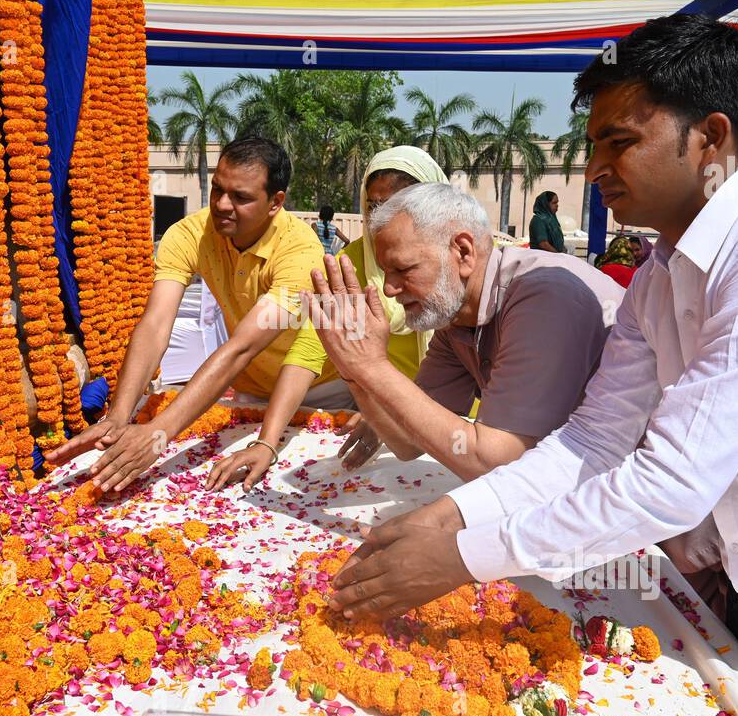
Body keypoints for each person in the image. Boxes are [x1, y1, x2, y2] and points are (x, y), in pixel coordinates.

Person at [327, 14, 738, 716]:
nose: (595, 166)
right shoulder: (660, 276)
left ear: (711, 140)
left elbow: (672, 483)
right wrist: (451, 519)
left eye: (619, 141)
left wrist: (463, 557)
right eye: (594, 143)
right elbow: (593, 441)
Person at [46, 136, 349, 489]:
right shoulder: (190, 233)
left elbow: (242, 347)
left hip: (321, 389)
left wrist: (158, 434)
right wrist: (118, 414)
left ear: (275, 202)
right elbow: (155, 325)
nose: (222, 204)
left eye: (241, 197)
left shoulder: (300, 252)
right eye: (218, 188)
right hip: (250, 389)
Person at [305, 181, 624, 484]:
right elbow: (407, 443)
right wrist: (352, 371)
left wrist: (371, 367)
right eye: (386, 272)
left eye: (403, 269)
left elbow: (495, 465)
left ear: (463, 252)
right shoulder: (456, 319)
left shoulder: (546, 295)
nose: (389, 289)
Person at [207, 146, 444, 491]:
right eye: (375, 206)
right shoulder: (350, 264)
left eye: (398, 206)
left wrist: (399, 412)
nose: (383, 219)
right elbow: (308, 352)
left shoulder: (457, 266)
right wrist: (267, 443)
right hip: (393, 418)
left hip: (461, 415)